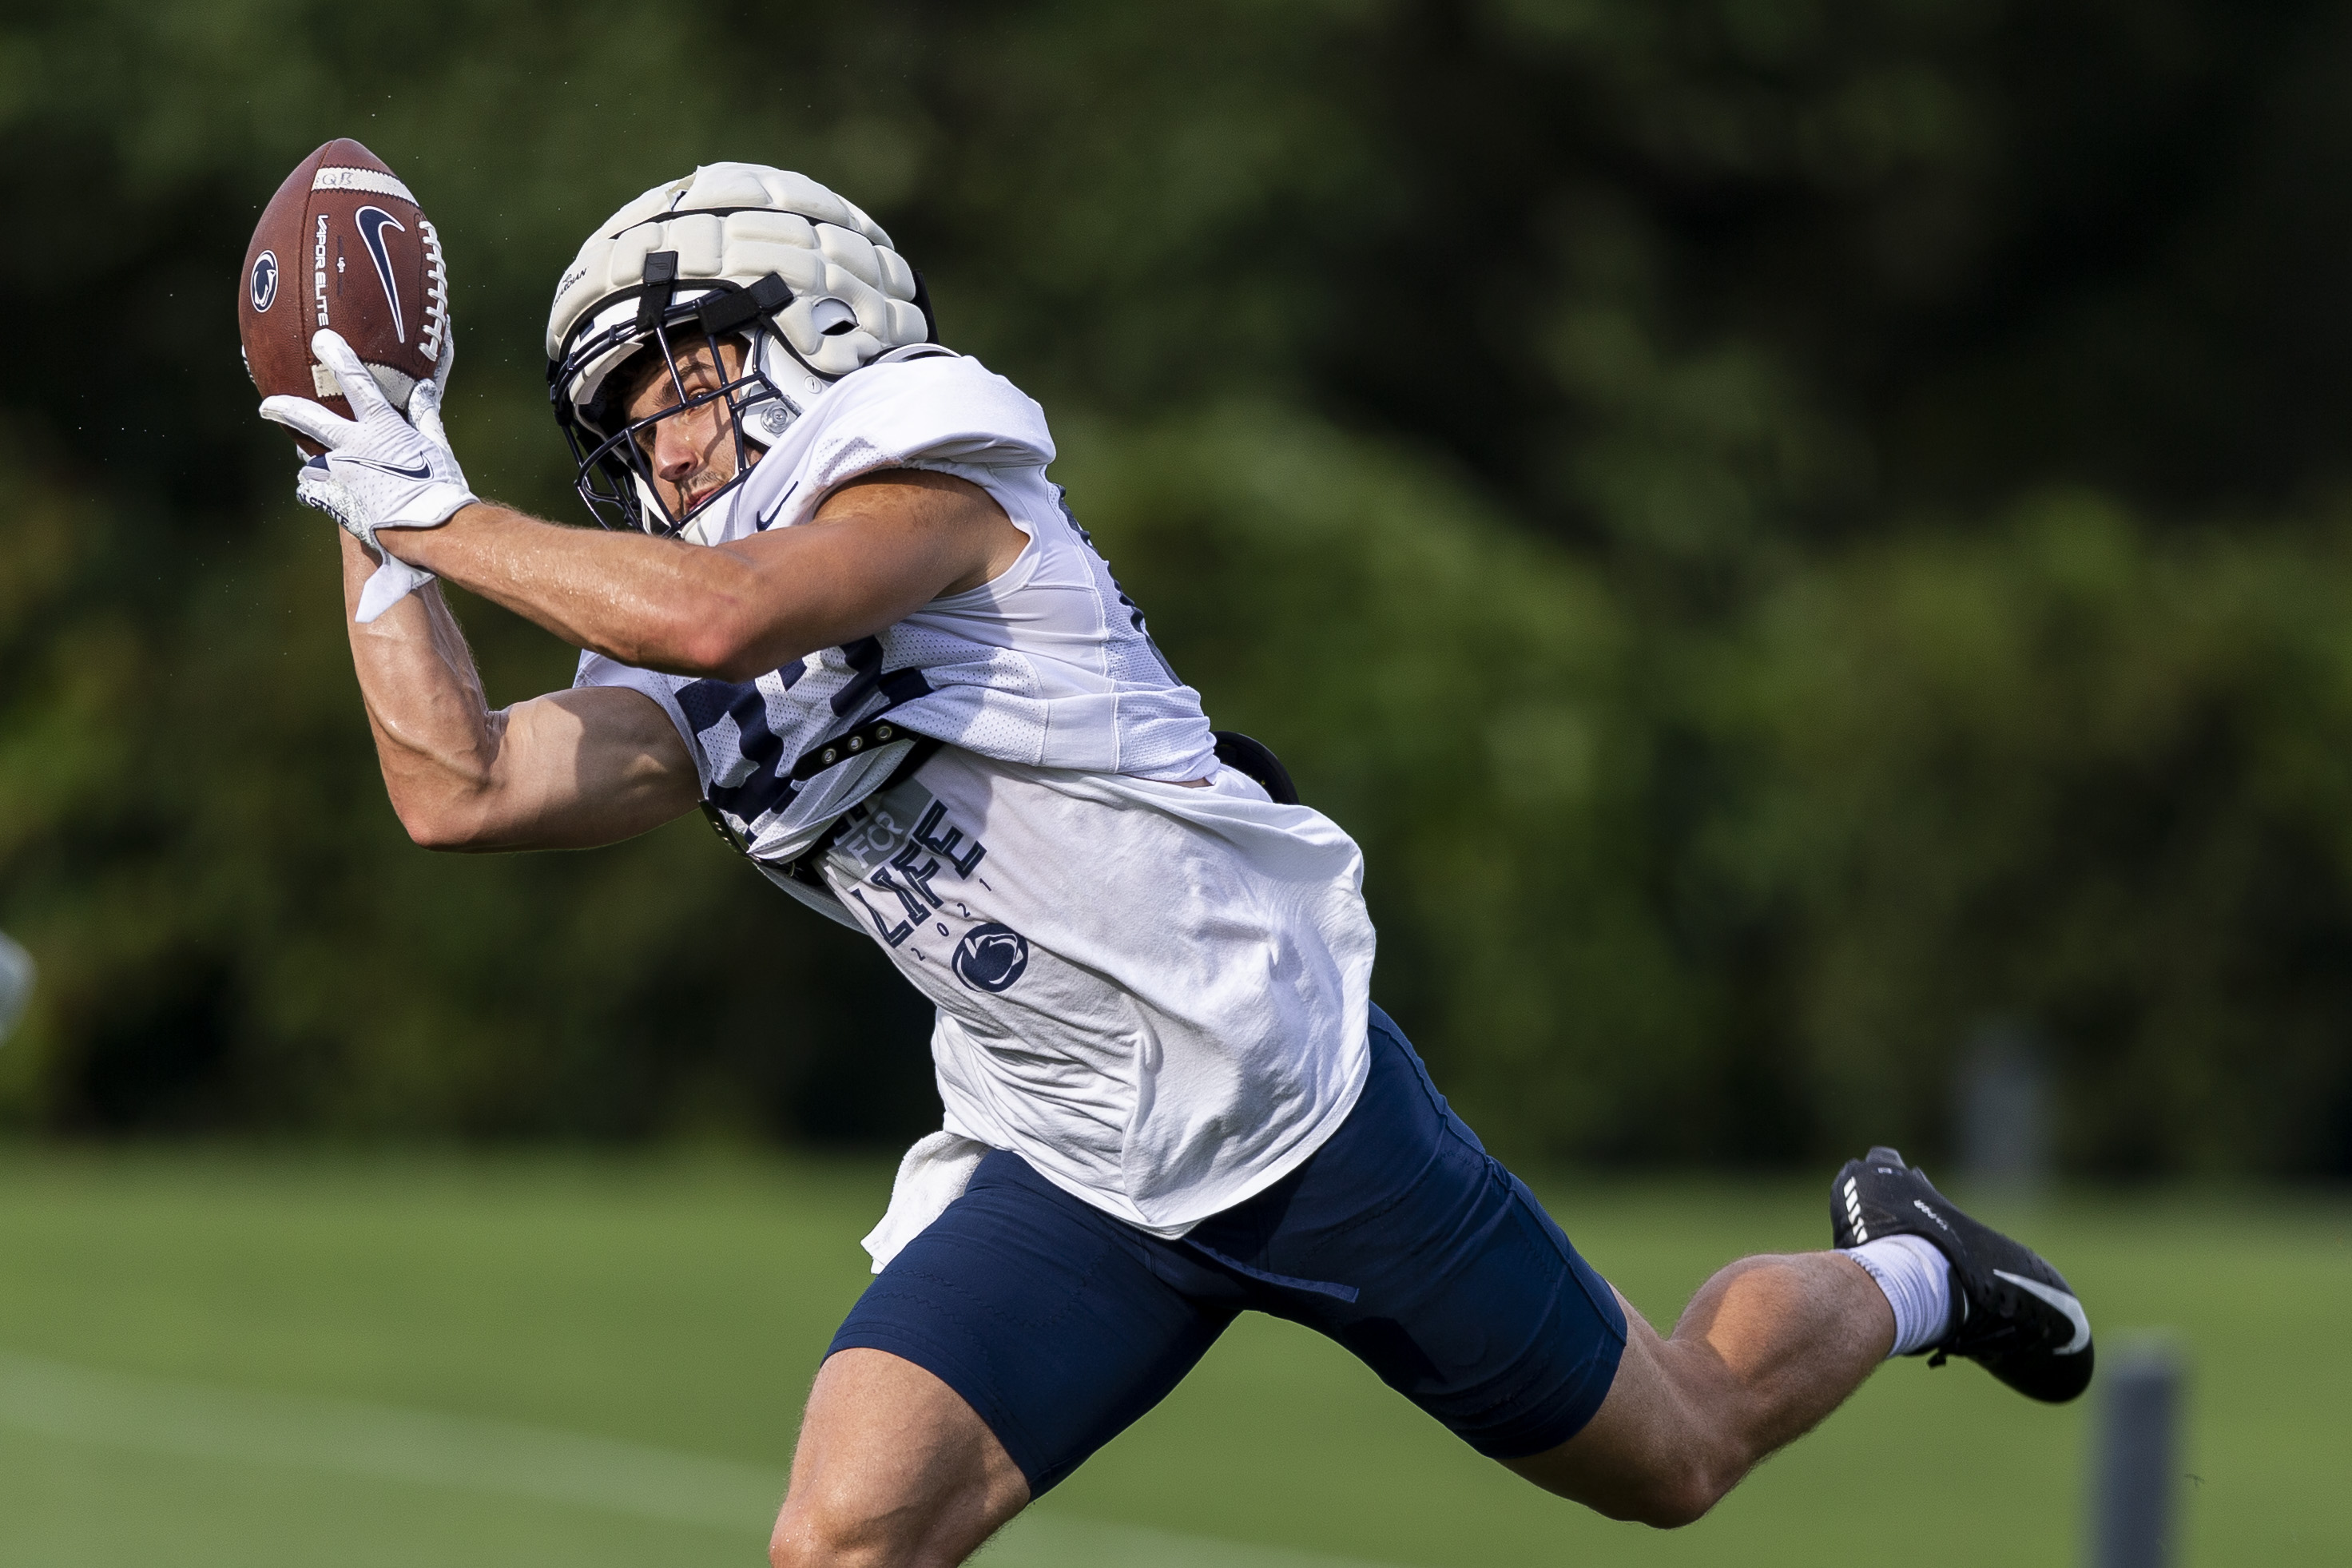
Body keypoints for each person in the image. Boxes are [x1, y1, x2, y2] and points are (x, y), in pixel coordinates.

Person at [259, 162, 2094, 1567]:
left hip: (1275, 1098)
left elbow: (732, 615)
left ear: (803, 321)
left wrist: (444, 505)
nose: (650, 445)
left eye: (669, 376)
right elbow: (464, 789)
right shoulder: (667, 602)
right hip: (1061, 1152)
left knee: (1677, 1452)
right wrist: (374, 519)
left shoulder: (929, 458)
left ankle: (1912, 1271)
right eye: (619, 422)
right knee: (839, 1539)